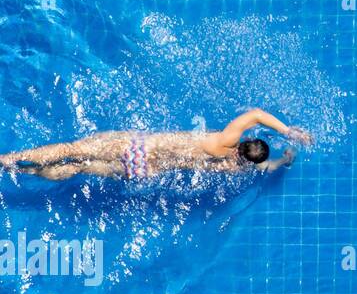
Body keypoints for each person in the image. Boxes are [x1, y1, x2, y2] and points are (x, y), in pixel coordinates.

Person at [0, 109, 310, 182]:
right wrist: (285, 159)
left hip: (139, 146)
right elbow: (266, 166)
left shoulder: (225, 139)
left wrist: (287, 129)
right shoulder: (235, 166)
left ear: (247, 141)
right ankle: (25, 173)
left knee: (71, 150)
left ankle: (10, 159)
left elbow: (255, 114)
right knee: (80, 167)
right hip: (141, 168)